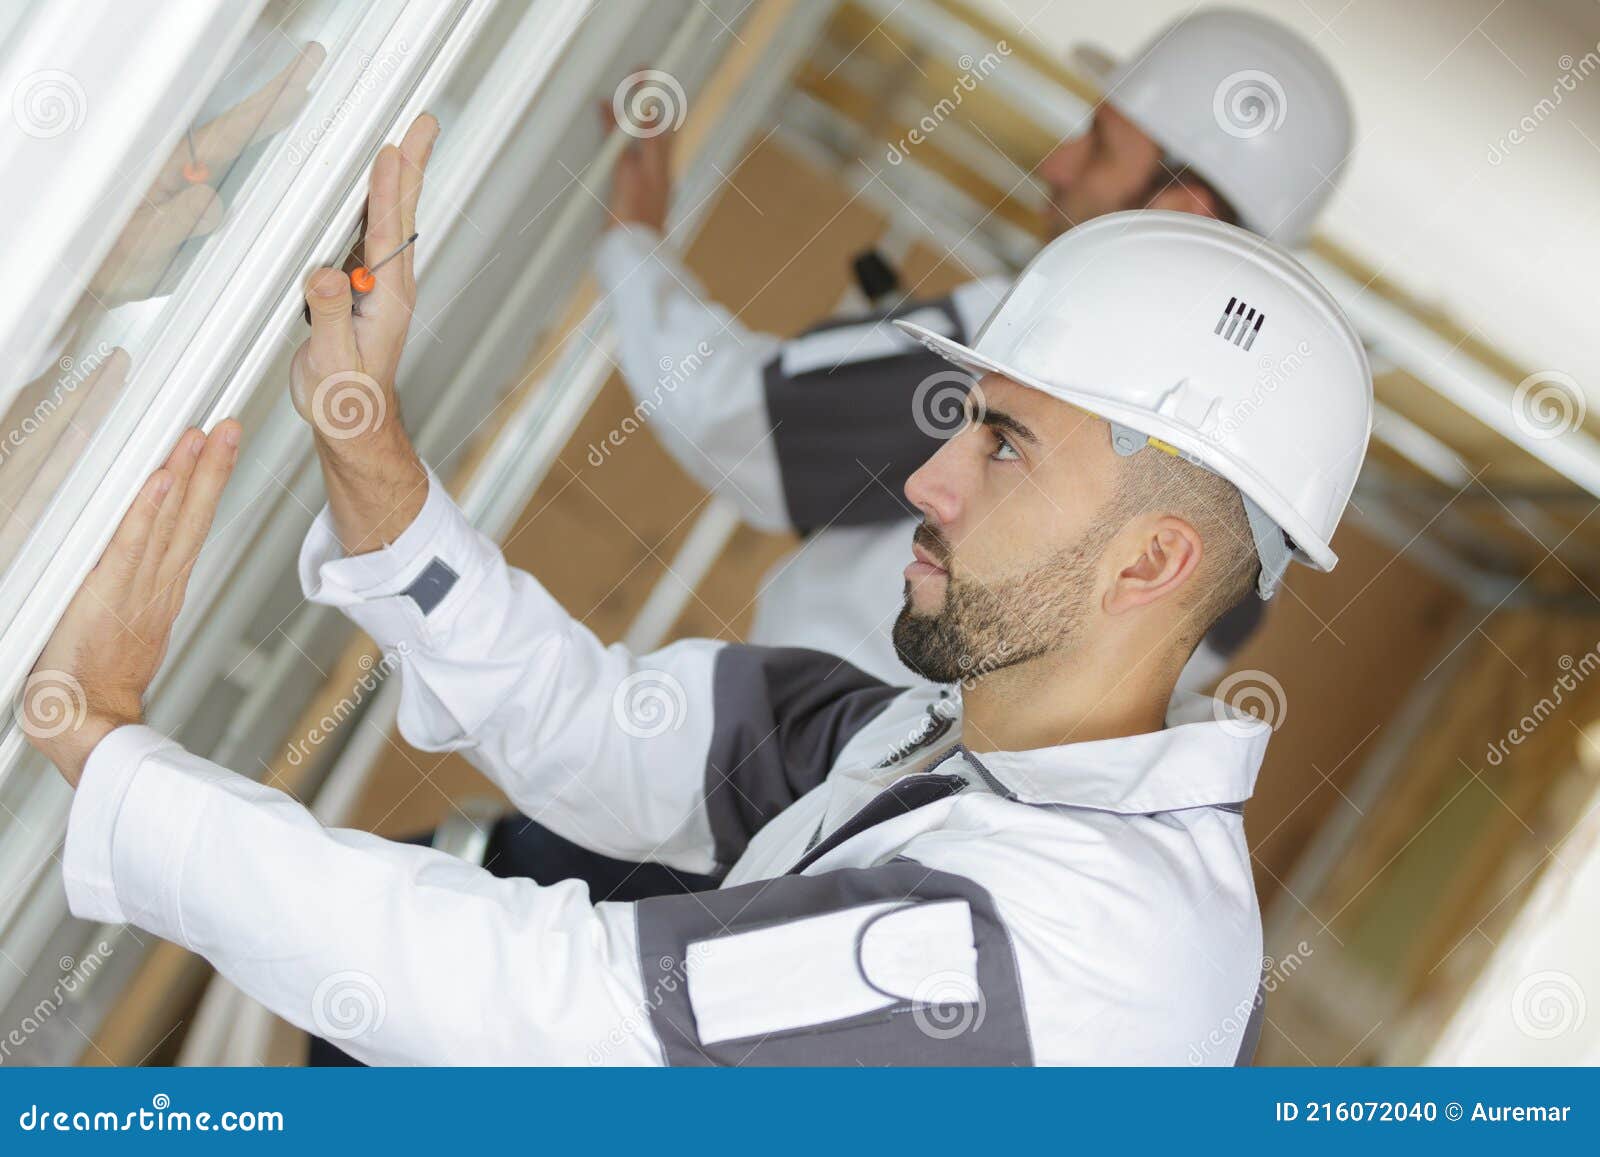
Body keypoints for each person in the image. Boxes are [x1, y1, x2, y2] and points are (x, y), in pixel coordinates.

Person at [24, 99, 1373, 1061]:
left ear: (1152, 558)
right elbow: (606, 730)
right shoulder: (951, 744)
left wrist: (101, 735)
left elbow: (546, 1016)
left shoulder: (1052, 947)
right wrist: (371, 454)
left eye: (1003, 445)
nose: (924, 480)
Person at [595, 7, 1354, 686]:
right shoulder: (1251, 539)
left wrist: (633, 244)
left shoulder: (1042, 335)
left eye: (1098, 146)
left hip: (775, 771)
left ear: (1180, 207)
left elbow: (741, 421)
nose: (1055, 164)